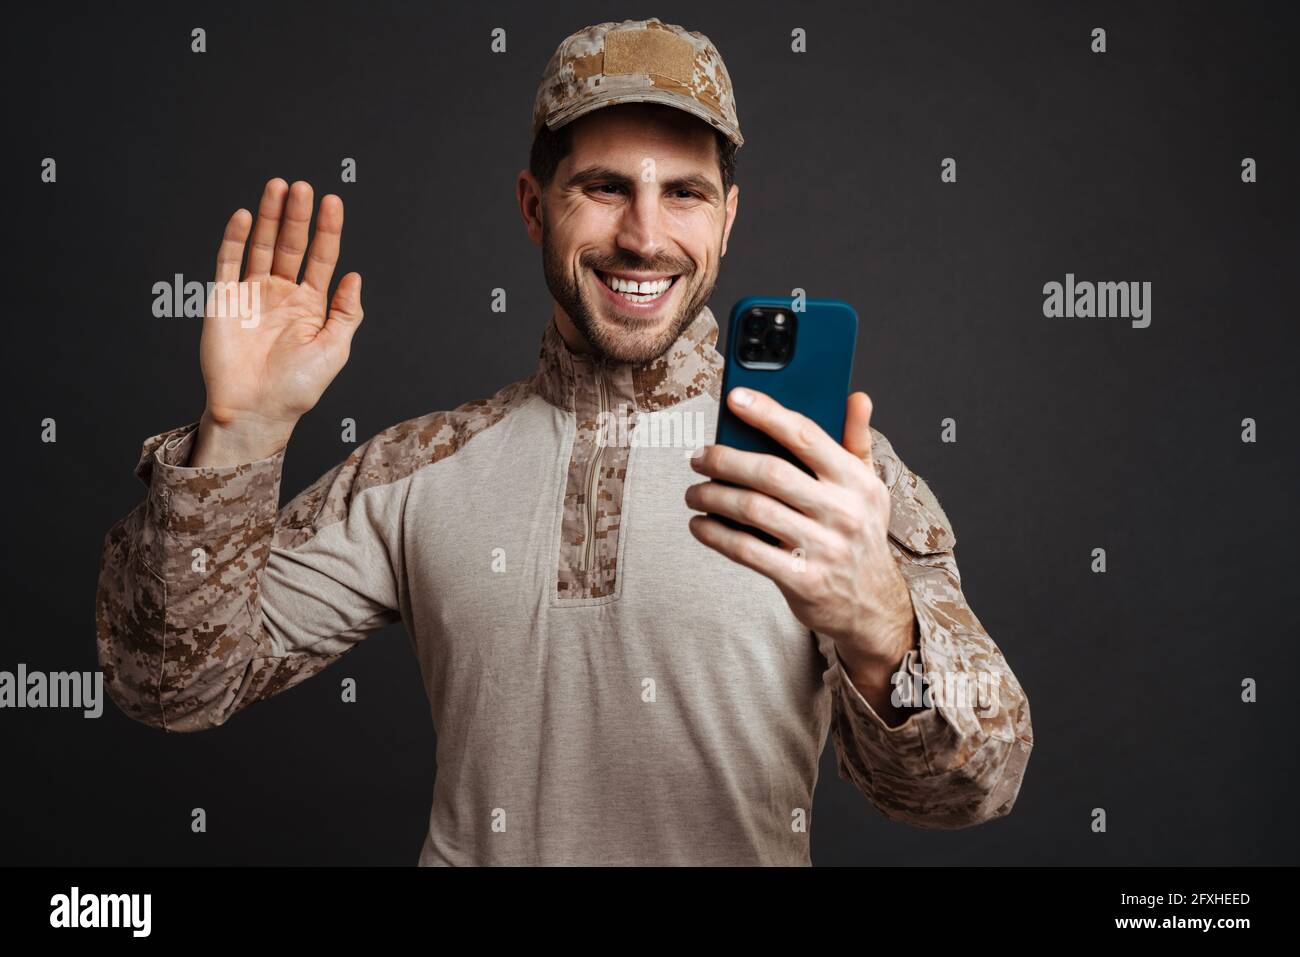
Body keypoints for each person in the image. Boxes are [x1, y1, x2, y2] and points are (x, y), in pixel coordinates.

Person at [96, 17, 1033, 865]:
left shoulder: (834, 476)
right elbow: (171, 686)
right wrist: (238, 437)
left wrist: (879, 626)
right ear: (533, 204)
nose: (645, 234)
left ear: (728, 218)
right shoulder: (420, 466)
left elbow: (975, 787)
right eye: (604, 187)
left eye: (688, 195)